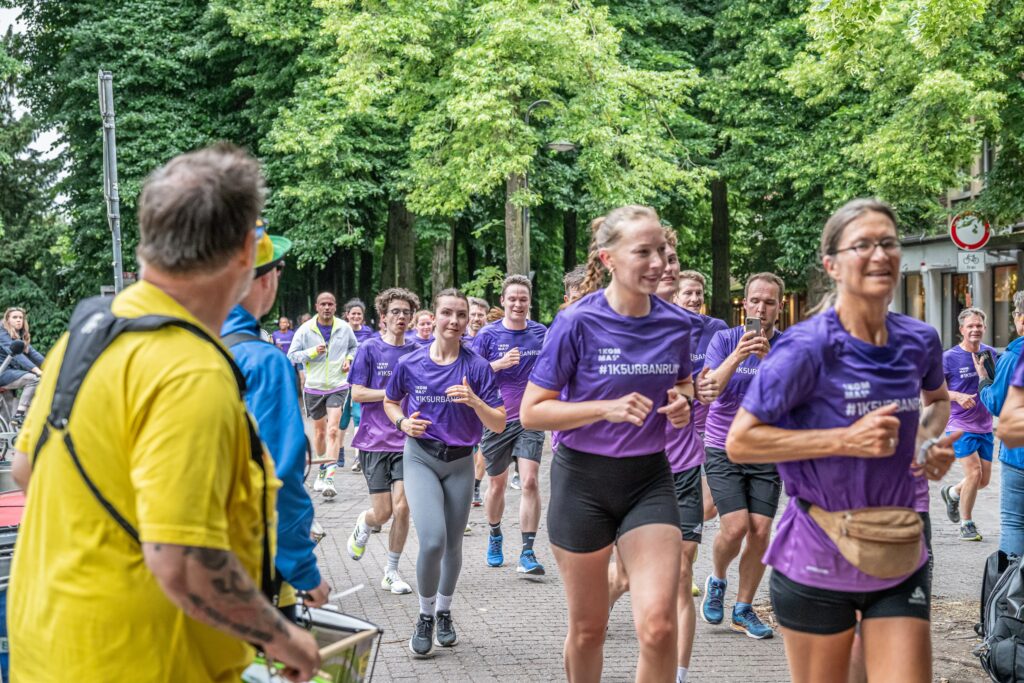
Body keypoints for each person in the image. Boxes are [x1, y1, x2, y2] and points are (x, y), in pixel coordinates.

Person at [7, 144, 319, 682]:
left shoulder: (89, 334)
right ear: (247, 251)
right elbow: (184, 561)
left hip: (49, 651)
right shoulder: (191, 371)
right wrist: (282, 636)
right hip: (145, 663)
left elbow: (26, 468)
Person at [725, 198, 957, 683]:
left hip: (898, 544)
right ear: (831, 264)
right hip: (818, 549)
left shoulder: (919, 339)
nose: (879, 254)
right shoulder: (805, 347)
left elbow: (936, 402)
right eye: (863, 245)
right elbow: (741, 442)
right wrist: (843, 439)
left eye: (888, 243)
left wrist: (924, 443)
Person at [521, 205, 696, 682]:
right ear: (608, 259)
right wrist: (605, 408)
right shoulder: (576, 322)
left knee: (659, 627)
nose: (658, 263)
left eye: (662, 250)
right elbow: (532, 411)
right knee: (588, 630)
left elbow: (684, 384)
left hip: (649, 480)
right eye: (643, 252)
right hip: (582, 483)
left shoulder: (676, 324)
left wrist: (682, 404)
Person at [604, 230, 711, 683]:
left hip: (681, 468)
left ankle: (678, 674)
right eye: (654, 257)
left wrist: (698, 390)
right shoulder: (615, 322)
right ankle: (596, 614)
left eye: (671, 257)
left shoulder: (703, 330)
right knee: (625, 578)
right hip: (630, 470)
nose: (665, 265)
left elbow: (704, 388)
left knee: (681, 573)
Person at [384, 288, 506, 657]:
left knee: (453, 544)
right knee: (433, 540)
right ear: (434, 316)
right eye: (447, 313)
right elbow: (390, 401)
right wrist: (403, 423)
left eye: (461, 315)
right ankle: (424, 616)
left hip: (460, 462)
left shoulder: (477, 367)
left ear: (468, 320)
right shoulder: (411, 363)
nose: (454, 321)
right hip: (421, 457)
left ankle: (444, 611)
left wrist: (475, 401)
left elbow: (499, 423)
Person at [221, 221, 331, 618]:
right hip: (249, 563)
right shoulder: (264, 362)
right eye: (279, 269)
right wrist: (303, 570)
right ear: (265, 279)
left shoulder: (176, 344)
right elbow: (278, 476)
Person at [699, 272, 785, 640]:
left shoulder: (789, 345)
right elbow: (712, 390)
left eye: (769, 302)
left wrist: (770, 362)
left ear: (779, 307)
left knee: (761, 530)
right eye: (756, 301)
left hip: (766, 450)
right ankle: (717, 579)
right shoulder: (724, 340)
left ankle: (743, 608)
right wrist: (740, 354)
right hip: (723, 446)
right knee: (735, 527)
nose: (761, 309)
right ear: (745, 304)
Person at [345, 287, 420, 595]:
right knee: (383, 512)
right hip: (374, 441)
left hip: (406, 440)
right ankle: (365, 522)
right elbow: (358, 393)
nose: (401, 317)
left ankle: (391, 571)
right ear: (383, 317)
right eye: (395, 312)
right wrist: (391, 393)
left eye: (406, 312)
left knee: (403, 507)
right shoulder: (369, 349)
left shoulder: (417, 350)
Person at [475, 274, 549, 576]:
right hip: (496, 417)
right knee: (497, 485)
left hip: (530, 417)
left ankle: (527, 551)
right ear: (503, 301)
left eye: (523, 299)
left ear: (529, 302)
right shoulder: (488, 335)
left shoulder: (540, 333)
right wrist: (498, 364)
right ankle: (495, 534)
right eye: (513, 299)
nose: (518, 304)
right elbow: (472, 373)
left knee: (530, 481)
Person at [287, 292, 358, 498]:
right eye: (323, 304)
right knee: (319, 433)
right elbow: (292, 355)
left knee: (333, 430)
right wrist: (311, 352)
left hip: (338, 385)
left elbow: (354, 347)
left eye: (330, 304)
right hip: (314, 387)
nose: (327, 307)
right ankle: (321, 469)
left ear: (335, 306)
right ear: (317, 306)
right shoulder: (305, 329)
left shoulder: (344, 328)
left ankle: (330, 478)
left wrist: (349, 359)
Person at [939, 307, 997, 541]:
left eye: (978, 325)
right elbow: (932, 390)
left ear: (985, 328)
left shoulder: (991, 354)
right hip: (959, 424)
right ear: (961, 329)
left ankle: (952, 493)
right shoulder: (948, 358)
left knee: (983, 480)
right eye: (970, 326)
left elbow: (997, 385)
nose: (975, 329)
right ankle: (967, 523)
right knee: (974, 473)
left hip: (985, 424)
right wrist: (957, 396)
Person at [676, 272, 728, 523]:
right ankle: (677, 535)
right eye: (688, 293)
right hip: (676, 430)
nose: (695, 298)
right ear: (675, 296)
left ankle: (679, 529)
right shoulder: (663, 329)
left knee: (709, 506)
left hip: (709, 428)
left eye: (699, 293)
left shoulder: (717, 328)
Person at [978, 291, 1024, 557]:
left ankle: (1012, 582)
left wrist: (984, 381)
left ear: (1021, 319)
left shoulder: (1015, 354)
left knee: (1014, 523)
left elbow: (997, 403)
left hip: (1019, 454)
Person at [466, 296, 490, 506]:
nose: (476, 318)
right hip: (462, 401)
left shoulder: (491, 337)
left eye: (480, 315)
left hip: (485, 400)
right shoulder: (457, 338)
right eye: (472, 314)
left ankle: (475, 485)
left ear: (486, 317)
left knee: (484, 445)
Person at [342, 298, 371, 472]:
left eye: (359, 314)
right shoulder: (340, 331)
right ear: (347, 315)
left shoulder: (368, 333)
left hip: (360, 381)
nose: (356, 316)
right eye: (353, 313)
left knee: (358, 417)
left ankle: (358, 456)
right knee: (341, 420)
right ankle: (337, 451)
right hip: (340, 381)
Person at [0, 307, 43, 422]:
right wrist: (37, 371)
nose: (19, 320)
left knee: (7, 420)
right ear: (7, 320)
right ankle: (19, 415)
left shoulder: (19, 335)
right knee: (34, 379)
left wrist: (54, 367)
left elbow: (33, 354)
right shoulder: (2, 333)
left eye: (21, 318)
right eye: (15, 317)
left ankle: (20, 420)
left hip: (9, 373)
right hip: (2, 372)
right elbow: (17, 355)